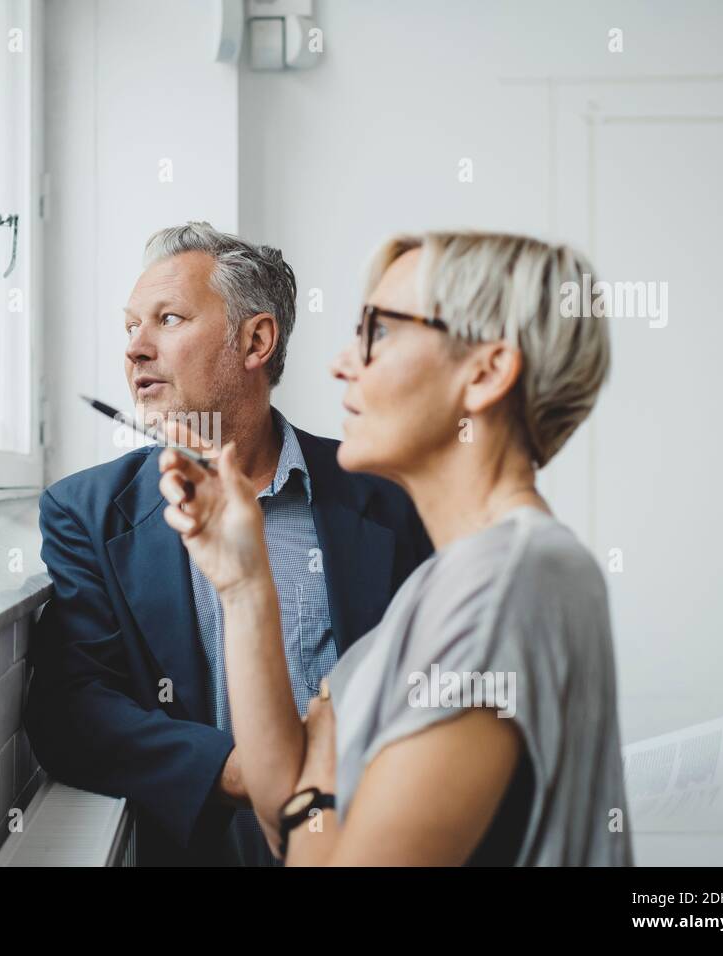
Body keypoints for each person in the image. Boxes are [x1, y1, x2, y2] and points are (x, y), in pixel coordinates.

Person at [158, 231, 632, 865]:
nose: (341, 363)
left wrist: (317, 780)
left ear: (485, 373)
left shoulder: (504, 584)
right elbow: (281, 806)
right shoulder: (443, 584)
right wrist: (243, 583)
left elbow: (305, 811)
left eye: (378, 331)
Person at [24, 222, 431, 865]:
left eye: (169, 319)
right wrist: (256, 777)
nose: (136, 349)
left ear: (256, 340)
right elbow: (73, 710)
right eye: (131, 327)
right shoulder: (86, 514)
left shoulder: (383, 496)